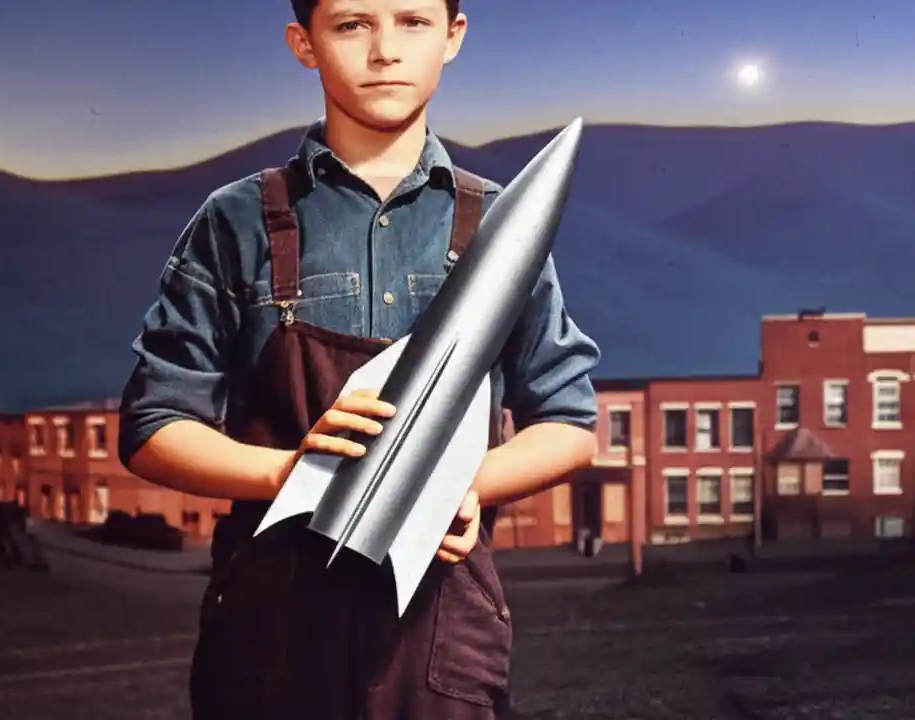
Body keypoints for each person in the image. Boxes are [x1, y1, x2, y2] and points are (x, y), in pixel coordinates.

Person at [117, 0, 600, 717]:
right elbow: (153, 425)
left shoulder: (500, 225)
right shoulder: (237, 220)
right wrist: (291, 473)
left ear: (453, 37)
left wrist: (465, 485)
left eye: (412, 21)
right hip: (271, 631)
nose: (384, 51)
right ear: (303, 43)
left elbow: (569, 423)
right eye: (351, 24)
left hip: (439, 628)